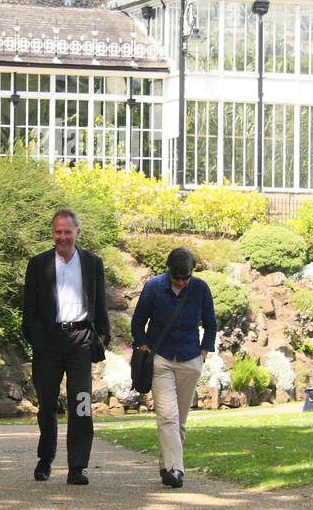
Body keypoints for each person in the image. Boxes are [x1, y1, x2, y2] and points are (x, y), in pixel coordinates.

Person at [22, 208, 110, 485]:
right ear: (53, 234)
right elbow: (29, 310)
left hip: (81, 340)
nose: (62, 237)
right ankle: (45, 459)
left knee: (81, 403)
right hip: (48, 341)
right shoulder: (38, 264)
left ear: (77, 233)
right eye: (58, 232)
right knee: (47, 404)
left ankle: (78, 466)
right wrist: (37, 338)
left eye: (67, 232)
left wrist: (102, 337)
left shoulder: (92, 263)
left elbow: (100, 303)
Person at [130, 247, 217, 488]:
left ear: (191, 274)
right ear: (168, 271)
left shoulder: (200, 288)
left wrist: (203, 353)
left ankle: (166, 464)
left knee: (179, 420)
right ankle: (175, 469)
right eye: (176, 277)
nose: (180, 282)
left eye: (184, 278)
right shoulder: (154, 287)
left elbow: (211, 325)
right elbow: (138, 323)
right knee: (167, 416)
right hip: (162, 358)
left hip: (190, 358)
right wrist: (145, 348)